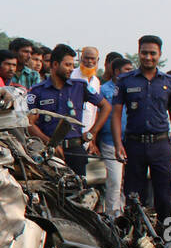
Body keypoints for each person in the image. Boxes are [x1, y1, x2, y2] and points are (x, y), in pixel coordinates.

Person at [110, 36, 171, 225]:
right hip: (134, 146)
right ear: (138, 53)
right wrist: (118, 144)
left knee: (164, 199)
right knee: (133, 199)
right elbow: (115, 114)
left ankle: (169, 240)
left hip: (161, 146)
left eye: (152, 53)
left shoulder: (169, 83)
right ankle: (135, 242)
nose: (148, 57)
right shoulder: (125, 81)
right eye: (144, 53)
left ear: (160, 55)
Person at [27, 44, 111, 176]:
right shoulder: (37, 91)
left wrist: (93, 132)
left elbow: (106, 106)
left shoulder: (80, 86)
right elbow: (29, 122)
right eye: (67, 65)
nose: (71, 69)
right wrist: (49, 143)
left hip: (75, 149)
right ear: (55, 64)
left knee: (79, 192)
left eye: (72, 65)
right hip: (48, 152)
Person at [98, 56, 133, 215]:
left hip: (130, 141)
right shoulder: (104, 90)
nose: (130, 73)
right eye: (127, 70)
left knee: (127, 183)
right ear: (116, 71)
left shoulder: (131, 89)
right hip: (110, 141)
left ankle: (124, 215)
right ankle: (112, 216)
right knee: (115, 181)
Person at [70, 45, 104, 134]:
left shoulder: (96, 81)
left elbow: (95, 109)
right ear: (81, 58)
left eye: (92, 59)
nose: (89, 61)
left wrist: (92, 136)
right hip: (72, 131)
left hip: (88, 132)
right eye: (86, 58)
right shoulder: (72, 76)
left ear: (97, 60)